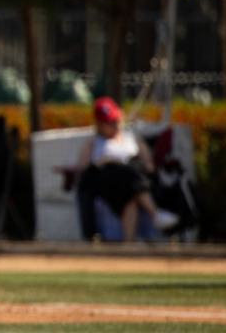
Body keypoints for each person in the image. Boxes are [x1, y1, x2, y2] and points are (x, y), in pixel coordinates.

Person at [72, 97, 179, 242]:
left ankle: (129, 243)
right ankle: (155, 214)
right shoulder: (93, 143)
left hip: (131, 180)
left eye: (115, 121)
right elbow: (84, 170)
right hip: (106, 182)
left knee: (129, 189)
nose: (113, 125)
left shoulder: (132, 138)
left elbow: (149, 166)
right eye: (108, 123)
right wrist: (105, 162)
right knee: (125, 178)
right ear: (100, 125)